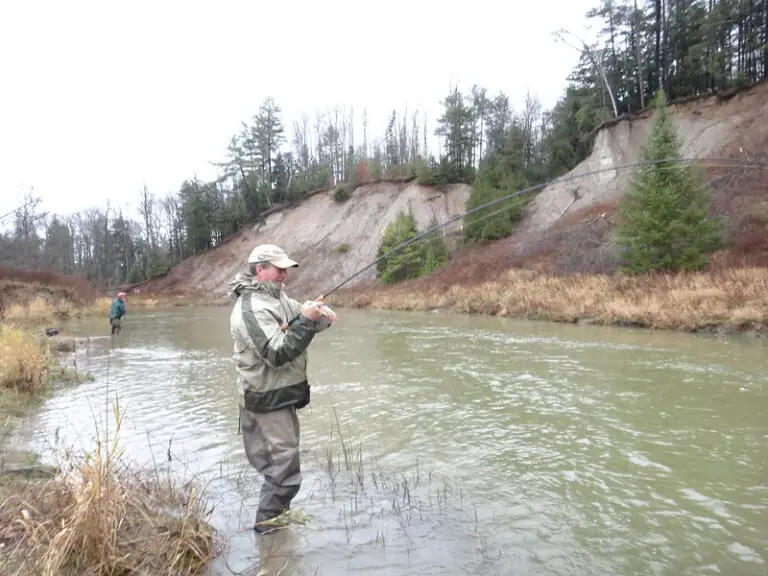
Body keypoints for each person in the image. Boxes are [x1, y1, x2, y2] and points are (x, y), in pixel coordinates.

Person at [229, 244, 336, 533]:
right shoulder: (250, 309)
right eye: (279, 269)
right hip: (266, 402)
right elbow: (276, 352)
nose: (284, 274)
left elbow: (300, 320)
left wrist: (319, 317)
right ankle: (268, 537)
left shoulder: (279, 299)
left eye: (285, 269)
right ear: (260, 269)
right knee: (283, 474)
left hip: (280, 397)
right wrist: (307, 321)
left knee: (281, 471)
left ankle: (276, 528)